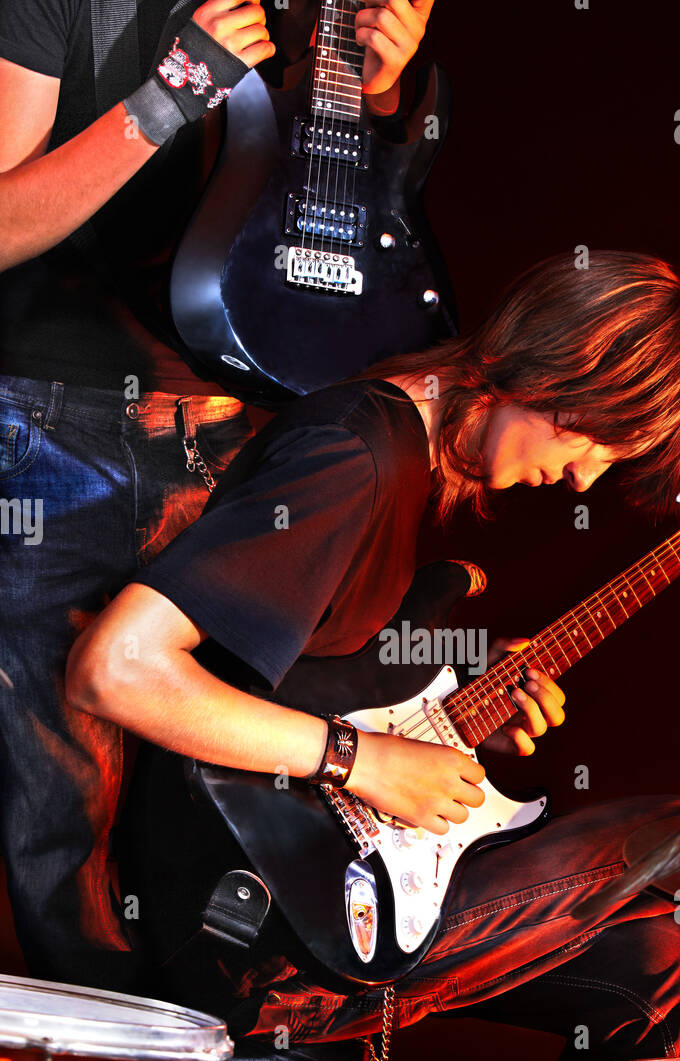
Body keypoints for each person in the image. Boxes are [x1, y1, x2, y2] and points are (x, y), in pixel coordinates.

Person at [66, 248, 680, 1061]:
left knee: (664, 954)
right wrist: (362, 757)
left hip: (316, 884)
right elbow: (120, 668)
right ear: (553, 373)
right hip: (261, 939)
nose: (586, 476)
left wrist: (449, 721)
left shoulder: (410, 460)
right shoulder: (353, 456)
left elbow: (303, 677)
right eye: (596, 440)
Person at [0, 0, 436, 989]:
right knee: (65, 863)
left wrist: (375, 93)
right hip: (53, 424)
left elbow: (362, 230)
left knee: (228, 834)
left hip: (252, 427)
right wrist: (168, 98)